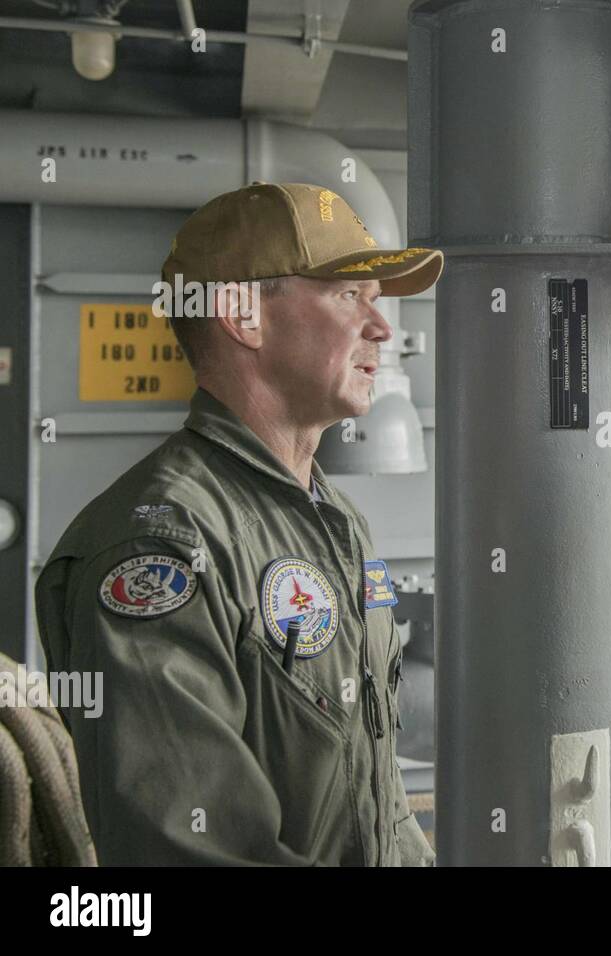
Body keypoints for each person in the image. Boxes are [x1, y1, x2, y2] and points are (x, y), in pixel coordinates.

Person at [34, 182, 444, 865]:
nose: (383, 328)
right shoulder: (160, 548)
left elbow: (374, 786)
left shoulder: (334, 520)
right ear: (244, 316)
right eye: (350, 296)